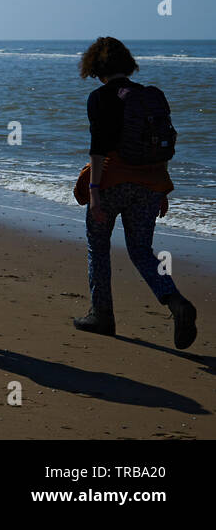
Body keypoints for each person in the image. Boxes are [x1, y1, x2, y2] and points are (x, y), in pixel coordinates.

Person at [73, 37, 197, 348]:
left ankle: (101, 315)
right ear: (127, 63)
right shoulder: (149, 96)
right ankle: (175, 301)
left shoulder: (100, 98)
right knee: (141, 250)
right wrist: (161, 187)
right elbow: (161, 145)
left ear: (95, 67)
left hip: (112, 182)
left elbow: (99, 150)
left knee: (98, 246)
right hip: (149, 184)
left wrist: (95, 193)